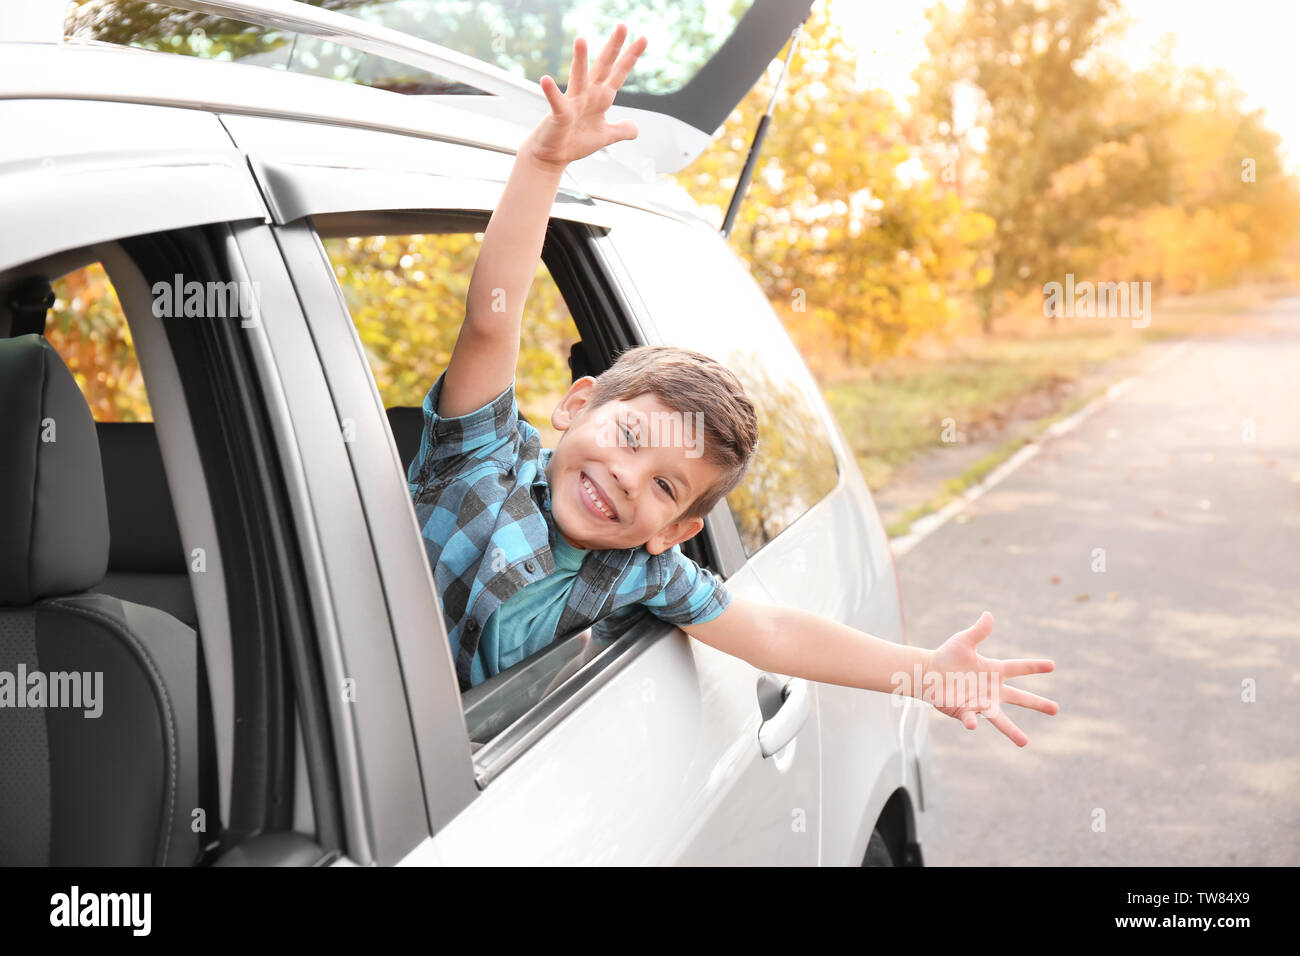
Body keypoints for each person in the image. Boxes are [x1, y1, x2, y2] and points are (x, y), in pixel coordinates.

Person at [410, 24, 1058, 746]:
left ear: (679, 532)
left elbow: (773, 632)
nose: (627, 478)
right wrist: (543, 161)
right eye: (629, 437)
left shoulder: (640, 572)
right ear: (576, 401)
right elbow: (492, 321)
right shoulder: (479, 461)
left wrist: (924, 672)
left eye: (664, 488)